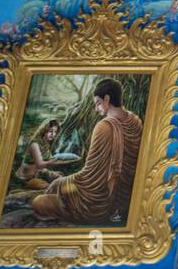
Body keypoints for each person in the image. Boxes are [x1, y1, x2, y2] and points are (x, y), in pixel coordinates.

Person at [32, 79, 142, 225]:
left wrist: (61, 182)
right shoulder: (136, 121)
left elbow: (89, 176)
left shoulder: (104, 126)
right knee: (57, 186)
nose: (96, 109)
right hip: (123, 204)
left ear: (107, 99)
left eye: (97, 103)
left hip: (96, 205)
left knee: (39, 202)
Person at [14, 119, 68, 190]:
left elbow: (49, 159)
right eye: (50, 131)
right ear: (44, 130)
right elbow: (39, 164)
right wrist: (51, 163)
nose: (53, 134)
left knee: (61, 178)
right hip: (25, 178)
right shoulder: (35, 144)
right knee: (51, 188)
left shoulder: (47, 144)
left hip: (38, 173)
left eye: (55, 132)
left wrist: (53, 171)